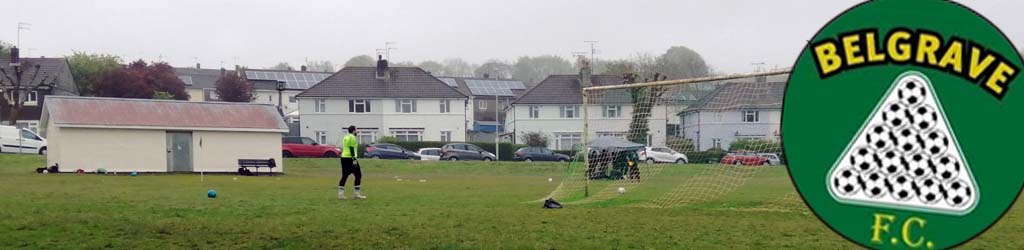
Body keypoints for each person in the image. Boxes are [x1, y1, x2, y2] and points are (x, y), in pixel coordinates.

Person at [338, 125, 366, 199]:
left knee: (344, 176)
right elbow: (351, 148)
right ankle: (357, 194)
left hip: (343, 157)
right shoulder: (352, 137)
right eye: (356, 130)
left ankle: (340, 194)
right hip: (350, 158)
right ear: (353, 130)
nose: (357, 131)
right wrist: (354, 159)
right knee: (358, 175)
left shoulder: (346, 137)